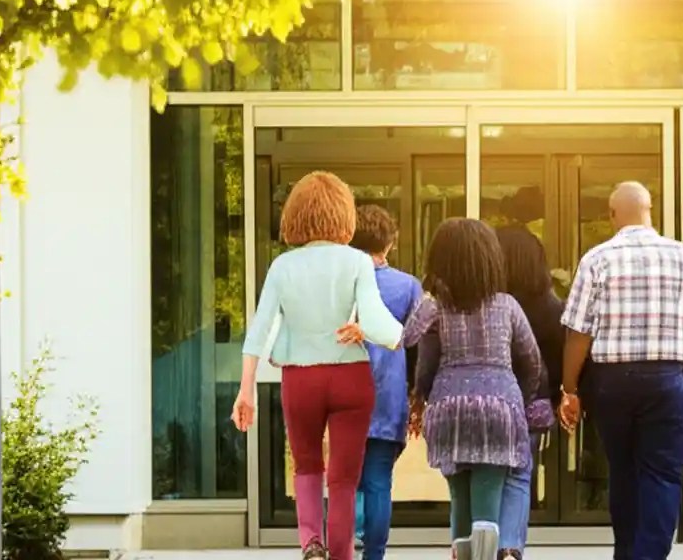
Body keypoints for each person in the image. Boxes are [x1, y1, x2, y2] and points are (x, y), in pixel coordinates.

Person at [231, 171, 403, 560]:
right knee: (344, 478)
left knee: (307, 466)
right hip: (350, 377)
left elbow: (259, 329)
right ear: (344, 213)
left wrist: (246, 390)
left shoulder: (282, 267)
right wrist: (389, 334)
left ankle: (311, 543)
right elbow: (378, 321)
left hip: (301, 379)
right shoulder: (357, 261)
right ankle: (341, 553)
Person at [558, 181, 683, 560]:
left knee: (622, 470)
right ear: (650, 211)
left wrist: (570, 389)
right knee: (663, 474)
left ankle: (627, 552)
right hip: (667, 380)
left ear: (612, 215)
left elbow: (578, 332)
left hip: (611, 382)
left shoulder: (596, 259)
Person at [402, 218, 545, 560]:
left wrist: (420, 397)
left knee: (459, 497)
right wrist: (522, 399)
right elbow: (532, 360)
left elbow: (419, 356)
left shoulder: (435, 307)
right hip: (500, 406)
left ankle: (462, 549)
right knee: (488, 498)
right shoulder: (507, 305)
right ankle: (492, 546)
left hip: (448, 408)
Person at [348, 205, 422, 560]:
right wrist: (418, 394)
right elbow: (419, 343)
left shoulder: (341, 284)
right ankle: (374, 553)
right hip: (387, 396)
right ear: (390, 242)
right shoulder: (408, 287)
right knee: (378, 481)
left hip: (343, 391)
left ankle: (346, 542)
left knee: (346, 480)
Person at [494, 226, 565, 560]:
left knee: (487, 475)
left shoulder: (488, 305)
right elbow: (557, 360)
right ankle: (510, 547)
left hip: (490, 399)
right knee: (519, 475)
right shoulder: (552, 309)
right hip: (531, 403)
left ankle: (485, 541)